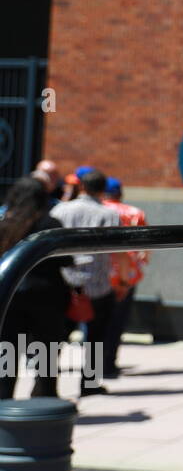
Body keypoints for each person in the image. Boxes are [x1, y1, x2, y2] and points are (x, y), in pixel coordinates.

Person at [0, 178, 72, 400]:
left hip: (9, 294)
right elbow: (66, 259)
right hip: (46, 296)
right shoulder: (49, 224)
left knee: (7, 354)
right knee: (48, 353)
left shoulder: (5, 223)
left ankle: (3, 400)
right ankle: (45, 398)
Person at [51, 168, 120, 397]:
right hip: (97, 285)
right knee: (96, 338)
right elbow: (117, 251)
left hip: (65, 282)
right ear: (103, 189)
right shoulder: (109, 214)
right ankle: (89, 383)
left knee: (56, 337)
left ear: (81, 186)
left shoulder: (60, 210)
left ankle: (46, 384)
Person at [101, 177, 149, 380]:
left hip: (98, 277)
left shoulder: (98, 210)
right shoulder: (135, 213)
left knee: (94, 325)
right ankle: (109, 364)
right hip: (126, 277)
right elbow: (143, 251)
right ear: (120, 193)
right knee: (116, 323)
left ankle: (92, 368)